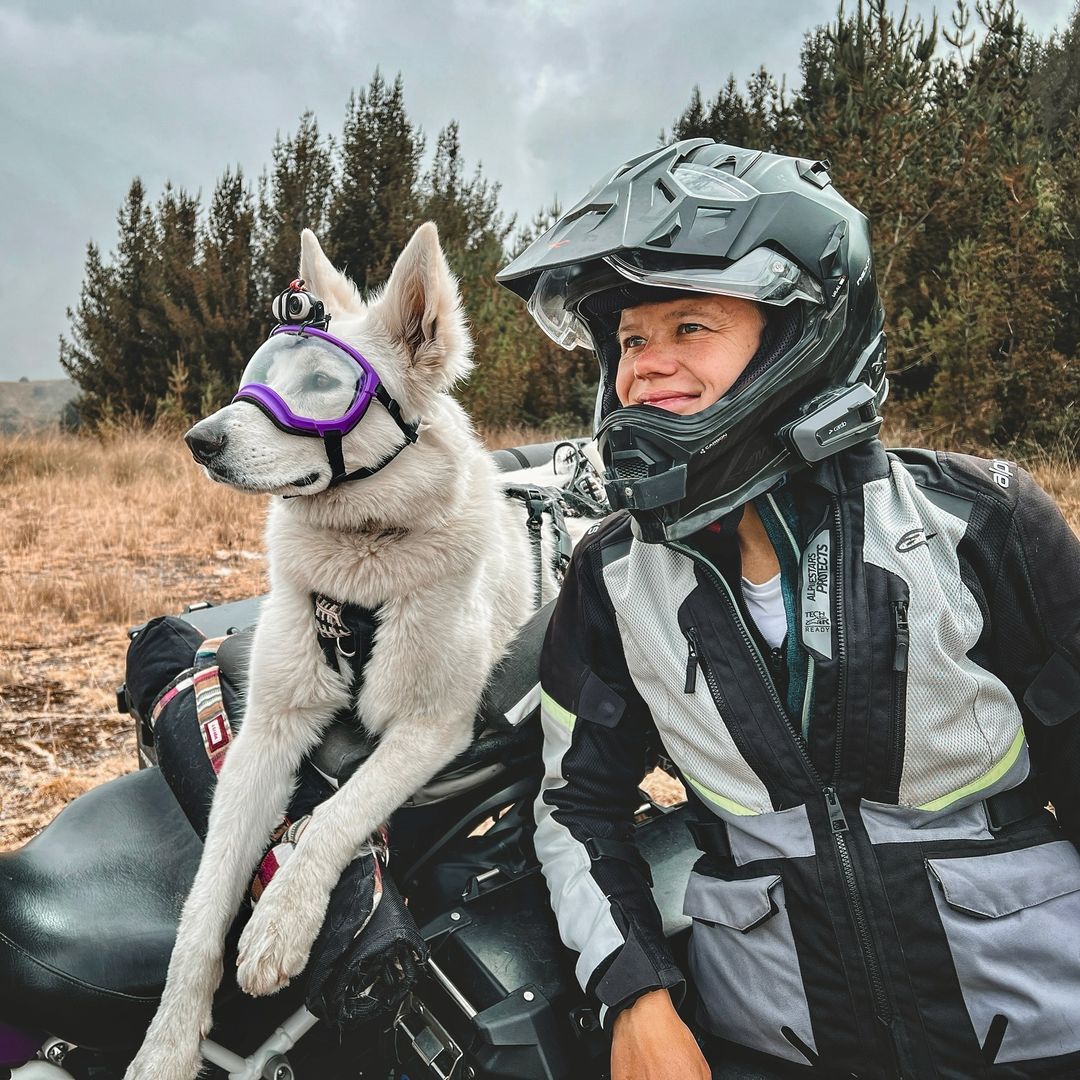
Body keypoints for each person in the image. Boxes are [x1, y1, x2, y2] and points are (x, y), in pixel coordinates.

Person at [497, 140, 1080, 1079]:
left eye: (690, 327)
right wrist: (635, 994)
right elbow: (576, 804)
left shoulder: (981, 522)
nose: (645, 368)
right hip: (776, 1041)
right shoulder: (614, 575)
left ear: (808, 335)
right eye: (631, 340)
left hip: (1036, 1029)